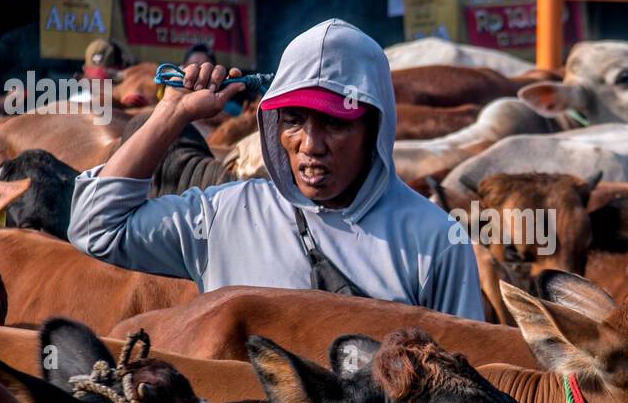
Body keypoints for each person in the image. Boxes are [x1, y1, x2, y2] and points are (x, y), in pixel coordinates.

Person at [67, 18, 484, 319]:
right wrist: (170, 114)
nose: (311, 145)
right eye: (294, 121)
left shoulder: (434, 241)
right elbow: (96, 229)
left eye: (335, 123)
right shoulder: (223, 217)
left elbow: (464, 393)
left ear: (374, 126)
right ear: (271, 125)